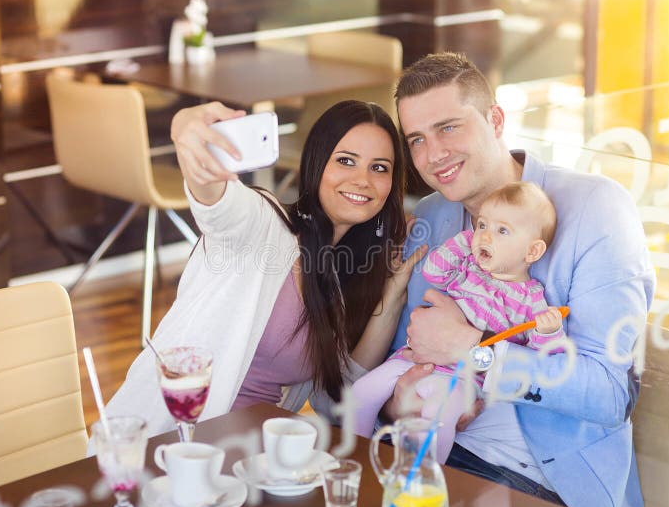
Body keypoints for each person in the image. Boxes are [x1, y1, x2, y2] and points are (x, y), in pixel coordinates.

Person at [382, 53, 655, 507]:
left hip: (537, 480)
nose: (433, 155)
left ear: (496, 120)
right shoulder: (431, 216)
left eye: (448, 127)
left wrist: (475, 351)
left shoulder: (596, 209)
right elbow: (409, 353)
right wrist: (398, 401)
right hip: (429, 452)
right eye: (417, 139)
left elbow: (609, 394)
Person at [105, 99, 427, 436]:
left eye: (379, 168)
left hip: (256, 452)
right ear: (317, 163)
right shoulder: (263, 222)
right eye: (346, 161)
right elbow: (218, 205)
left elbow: (340, 396)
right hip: (173, 440)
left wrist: (392, 295)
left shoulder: (338, 277)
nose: (363, 180)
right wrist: (186, 130)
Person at [351, 181, 565, 463]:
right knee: (362, 391)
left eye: (502, 231)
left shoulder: (531, 298)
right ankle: (353, 459)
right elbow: (433, 272)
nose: (485, 236)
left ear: (532, 252)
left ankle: (421, 478)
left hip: (462, 379)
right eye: (482, 225)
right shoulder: (469, 269)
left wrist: (550, 330)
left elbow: (542, 358)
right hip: (415, 359)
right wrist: (463, 241)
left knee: (437, 418)